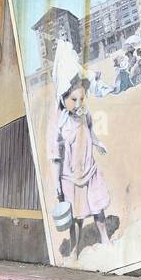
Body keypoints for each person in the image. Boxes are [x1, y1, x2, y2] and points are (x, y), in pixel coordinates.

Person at [49, 41, 114, 258]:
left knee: (98, 208)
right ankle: (75, 248)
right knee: (76, 217)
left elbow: (90, 130)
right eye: (73, 99)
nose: (78, 103)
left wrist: (97, 142)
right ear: (63, 99)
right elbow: (56, 158)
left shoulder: (85, 115)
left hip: (90, 170)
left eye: (81, 99)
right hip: (70, 177)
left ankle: (104, 237)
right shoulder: (61, 126)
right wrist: (57, 182)